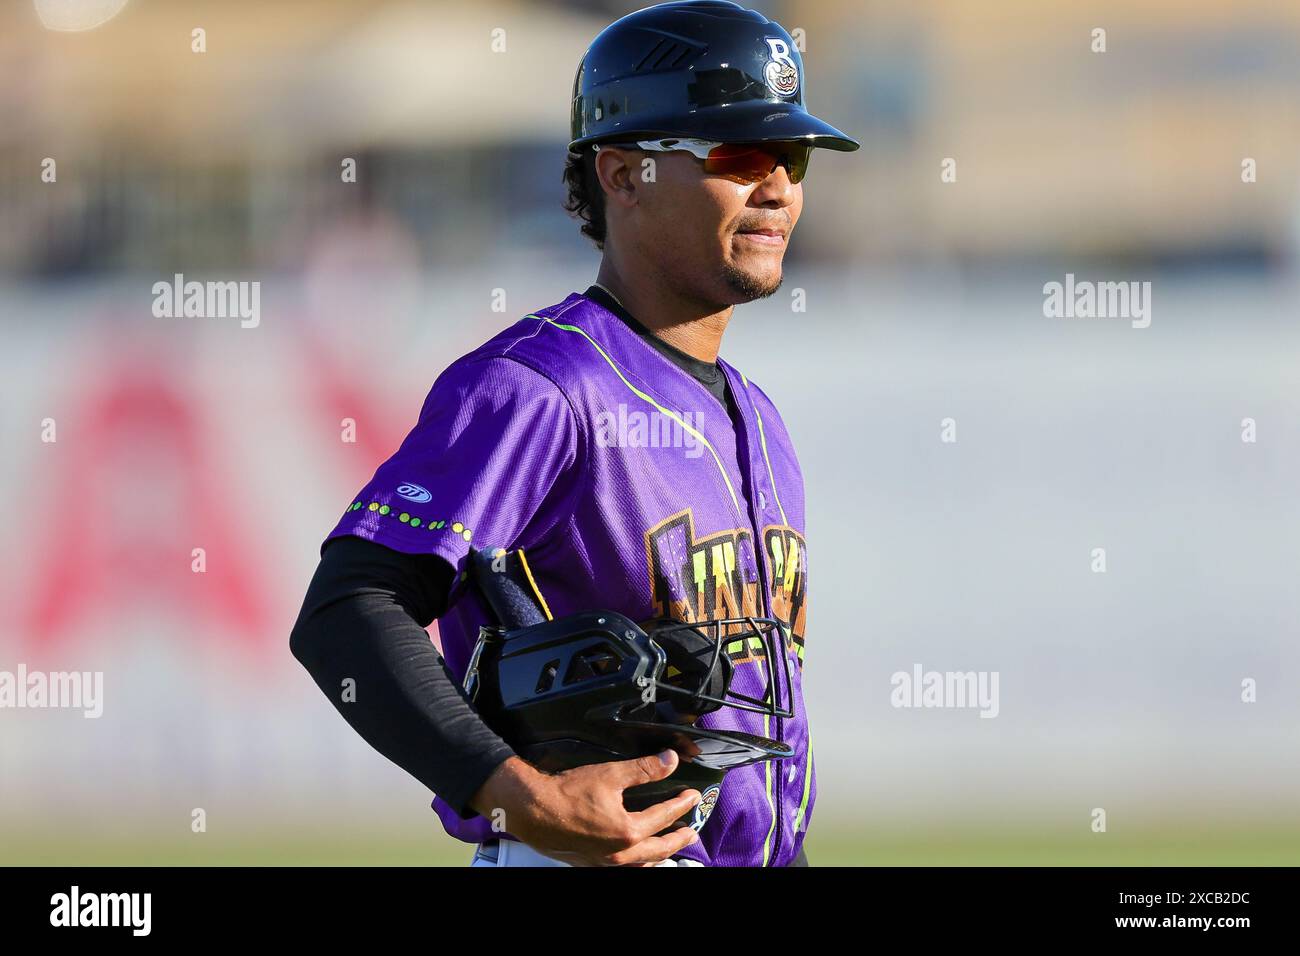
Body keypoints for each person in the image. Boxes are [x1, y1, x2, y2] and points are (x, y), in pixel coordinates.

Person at [290, 0, 858, 867]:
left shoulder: (759, 417)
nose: (777, 185)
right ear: (624, 173)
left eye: (792, 156)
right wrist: (512, 795)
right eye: (738, 154)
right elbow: (348, 611)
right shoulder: (541, 386)